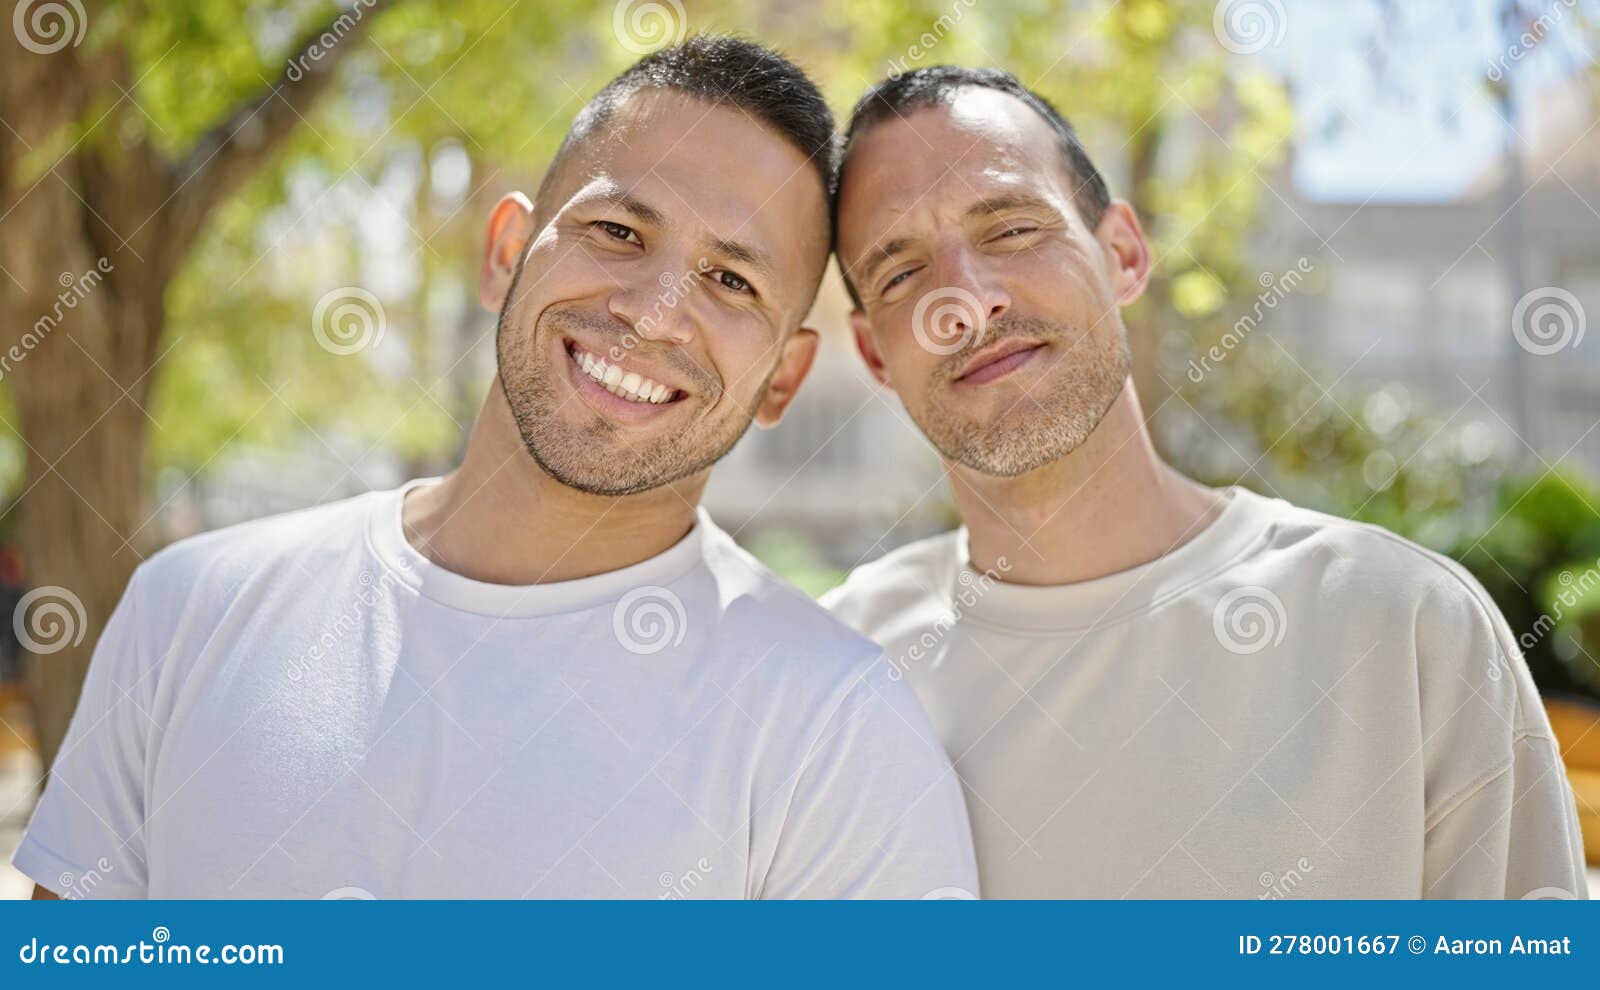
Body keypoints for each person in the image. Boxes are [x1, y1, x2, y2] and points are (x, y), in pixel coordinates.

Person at [14, 38, 976, 900]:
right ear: (508, 250)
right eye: (618, 232)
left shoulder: (838, 737)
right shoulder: (190, 610)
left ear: (784, 378)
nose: (652, 311)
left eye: (732, 280)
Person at [822, 65, 1588, 899]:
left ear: (1122, 254)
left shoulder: (1402, 625)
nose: (964, 302)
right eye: (901, 275)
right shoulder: (832, 679)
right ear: (872, 355)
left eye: (1010, 230)